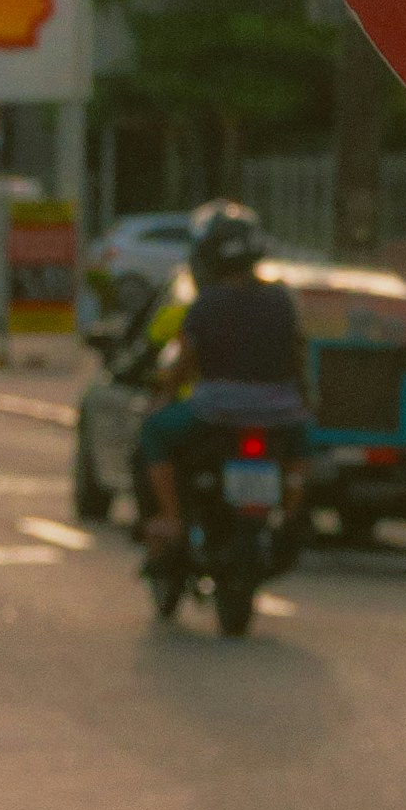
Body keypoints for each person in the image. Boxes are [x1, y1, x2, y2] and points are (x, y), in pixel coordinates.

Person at [132, 202, 310, 549]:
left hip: (214, 413)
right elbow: (299, 355)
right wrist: (302, 400)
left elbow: (184, 363)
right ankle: (290, 516)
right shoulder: (281, 300)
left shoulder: (206, 304)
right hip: (281, 412)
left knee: (153, 432)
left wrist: (162, 396)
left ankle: (171, 519)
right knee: (302, 446)